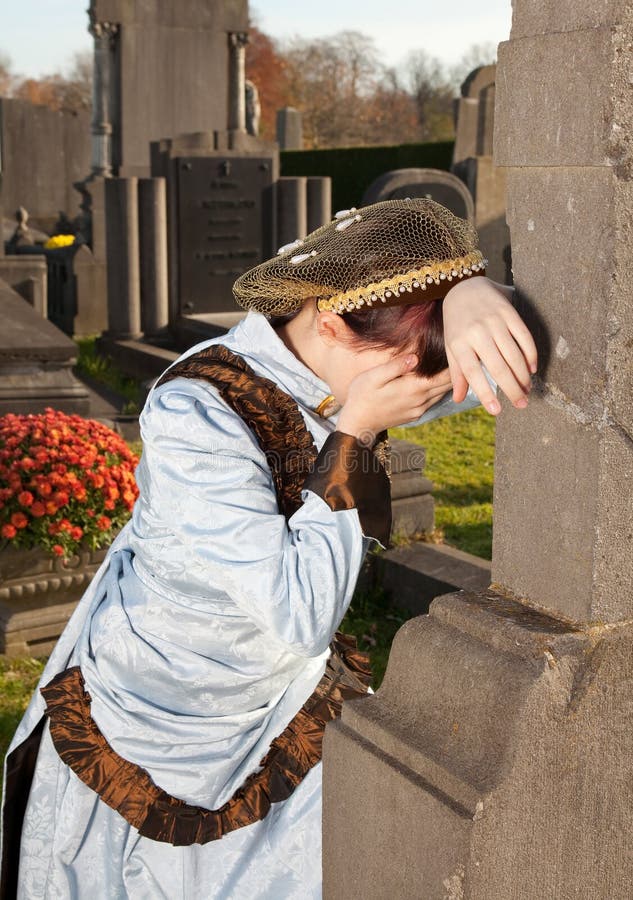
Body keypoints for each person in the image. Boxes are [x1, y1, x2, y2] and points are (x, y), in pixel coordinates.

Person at [1, 199, 536, 899]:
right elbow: (296, 613)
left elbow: (511, 356)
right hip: (166, 707)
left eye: (426, 372)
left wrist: (473, 291)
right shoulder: (195, 410)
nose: (419, 390)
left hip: (280, 697)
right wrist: (356, 435)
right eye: (406, 369)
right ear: (331, 318)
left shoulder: (362, 358)